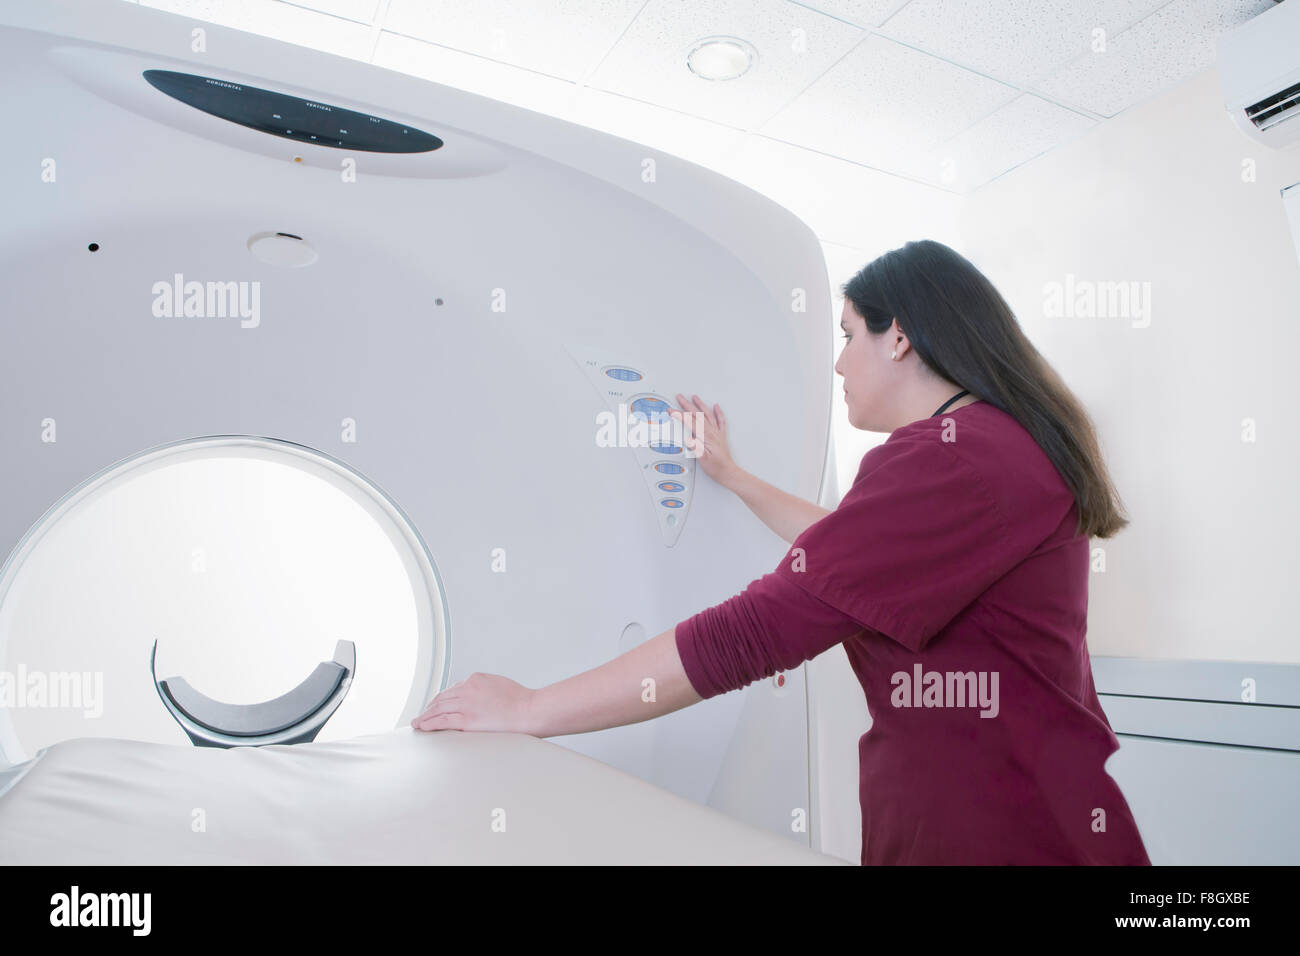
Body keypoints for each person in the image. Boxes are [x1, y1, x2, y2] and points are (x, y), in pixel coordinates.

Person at [412, 238, 1152, 866]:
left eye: (846, 334)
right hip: (1039, 811)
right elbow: (858, 552)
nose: (837, 365)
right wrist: (734, 478)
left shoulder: (947, 457)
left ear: (899, 337)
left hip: (995, 831)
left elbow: (753, 632)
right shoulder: (995, 447)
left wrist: (530, 707)